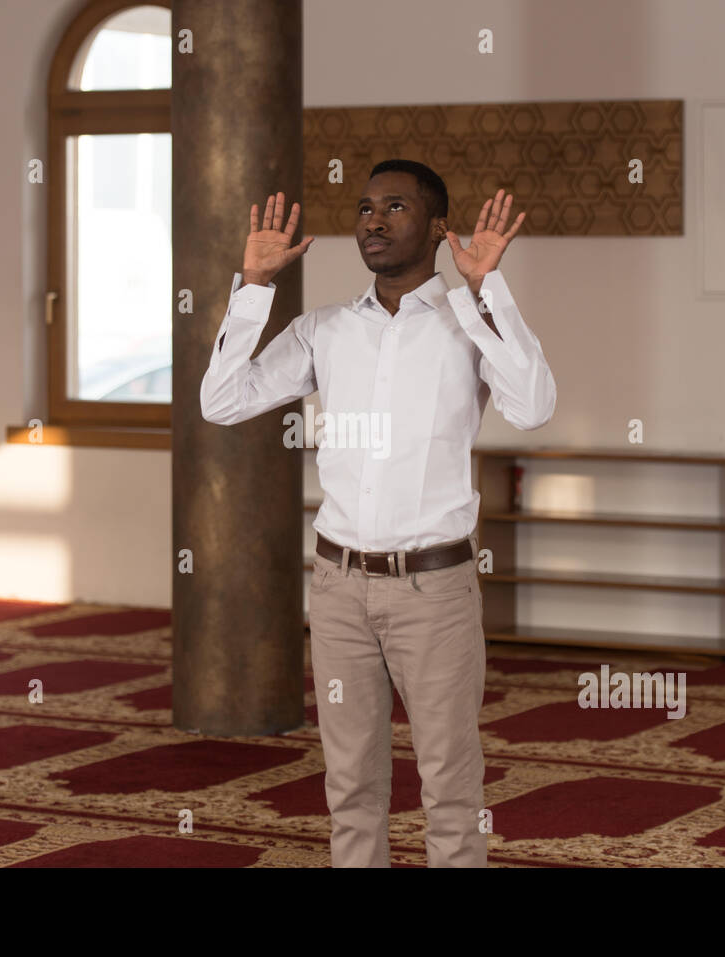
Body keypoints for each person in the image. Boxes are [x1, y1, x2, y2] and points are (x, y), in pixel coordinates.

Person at [200, 159, 556, 867]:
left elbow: (534, 405)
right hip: (338, 590)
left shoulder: (465, 325)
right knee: (351, 785)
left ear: (435, 227)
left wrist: (489, 293)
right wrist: (254, 289)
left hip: (436, 592)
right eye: (365, 208)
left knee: (451, 785)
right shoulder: (323, 331)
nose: (373, 220)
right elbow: (222, 400)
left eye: (395, 207)